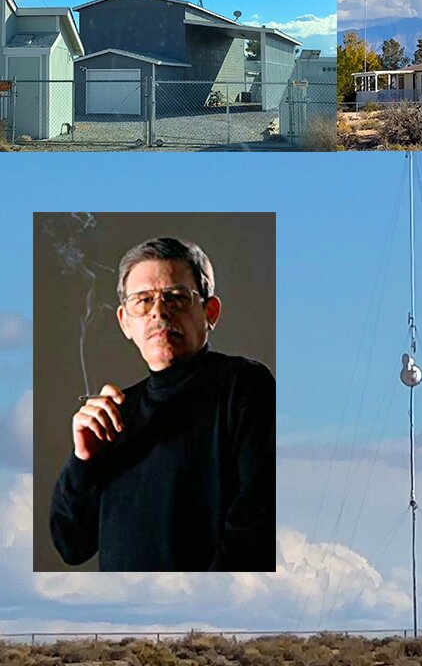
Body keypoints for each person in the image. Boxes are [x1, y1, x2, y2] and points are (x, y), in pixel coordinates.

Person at [49, 237, 275, 571]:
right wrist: (83, 461)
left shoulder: (243, 386)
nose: (159, 311)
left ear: (209, 312)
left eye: (176, 297)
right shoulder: (116, 414)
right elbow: (72, 546)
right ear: (125, 321)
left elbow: (255, 521)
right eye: (143, 301)